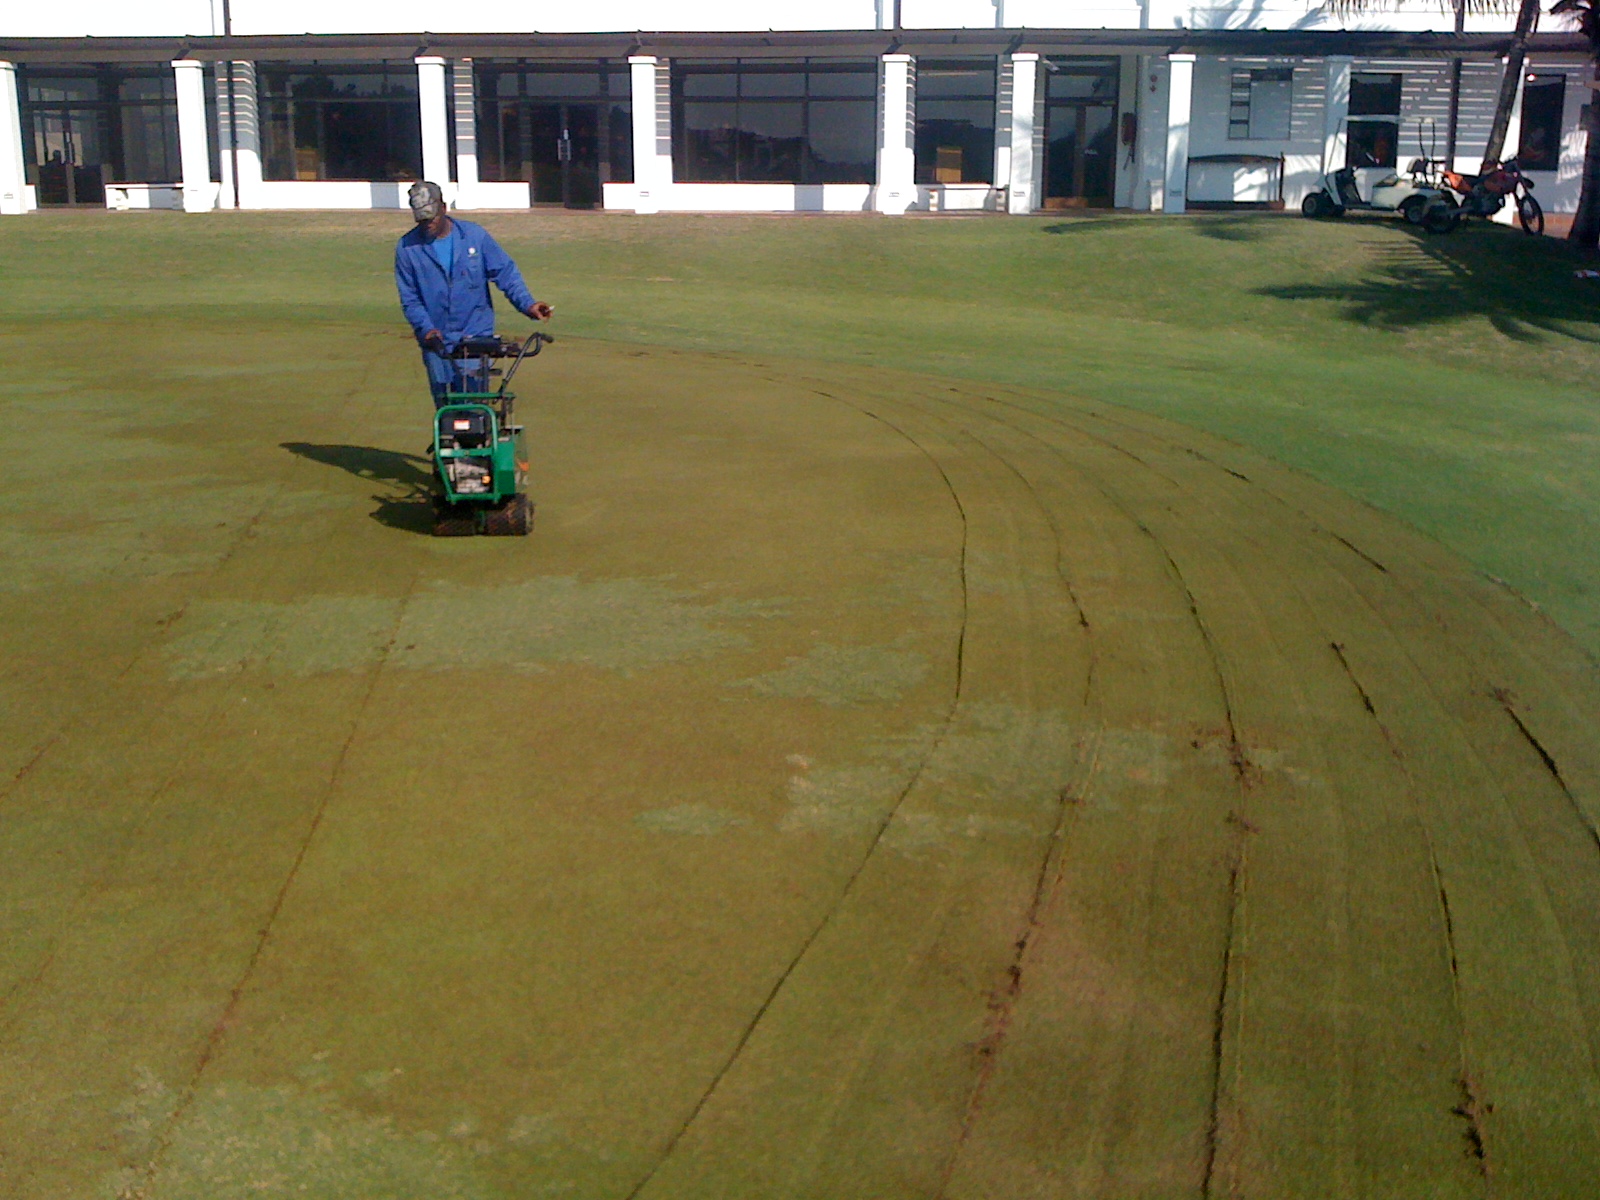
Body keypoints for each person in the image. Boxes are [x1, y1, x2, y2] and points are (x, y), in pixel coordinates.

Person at [394, 181, 552, 406]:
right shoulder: (407, 248)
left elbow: (505, 273)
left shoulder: (474, 236)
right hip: (436, 342)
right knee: (446, 411)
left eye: (431, 217)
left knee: (475, 408)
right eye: (421, 219)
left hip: (475, 338)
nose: (427, 224)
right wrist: (426, 328)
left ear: (444, 208)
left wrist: (528, 305)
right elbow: (410, 299)